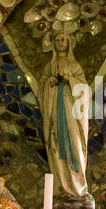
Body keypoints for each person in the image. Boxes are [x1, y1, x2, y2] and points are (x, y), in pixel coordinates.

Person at [38, 29, 90, 200]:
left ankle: (78, 188)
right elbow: (42, 90)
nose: (61, 43)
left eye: (64, 39)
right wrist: (50, 83)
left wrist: (68, 79)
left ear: (69, 43)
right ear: (53, 44)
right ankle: (62, 187)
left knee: (74, 144)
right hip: (55, 110)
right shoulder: (49, 66)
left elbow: (84, 90)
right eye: (58, 40)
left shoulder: (75, 66)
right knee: (57, 145)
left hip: (71, 112)